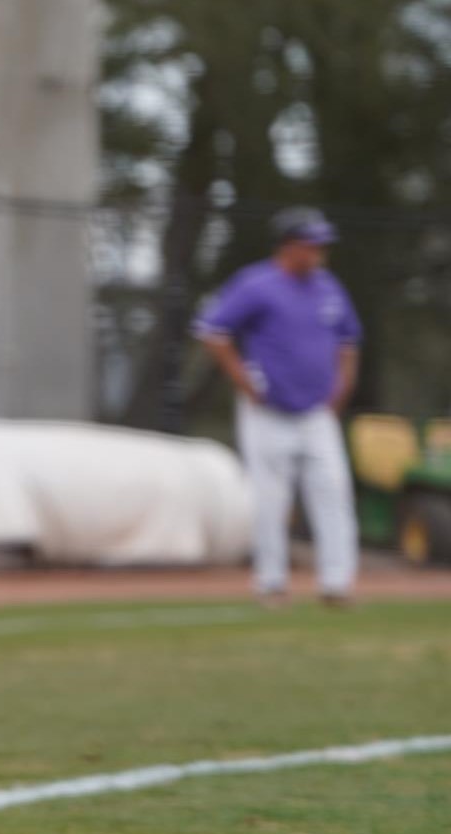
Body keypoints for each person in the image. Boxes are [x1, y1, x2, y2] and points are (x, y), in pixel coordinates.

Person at [196, 207, 363, 608]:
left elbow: (349, 339)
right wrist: (243, 381)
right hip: (269, 411)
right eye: (312, 243)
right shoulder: (257, 284)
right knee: (270, 498)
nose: (320, 251)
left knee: (334, 494)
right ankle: (271, 583)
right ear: (289, 245)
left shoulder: (328, 287)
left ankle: (336, 585)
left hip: (317, 414)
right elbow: (212, 331)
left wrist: (343, 385)